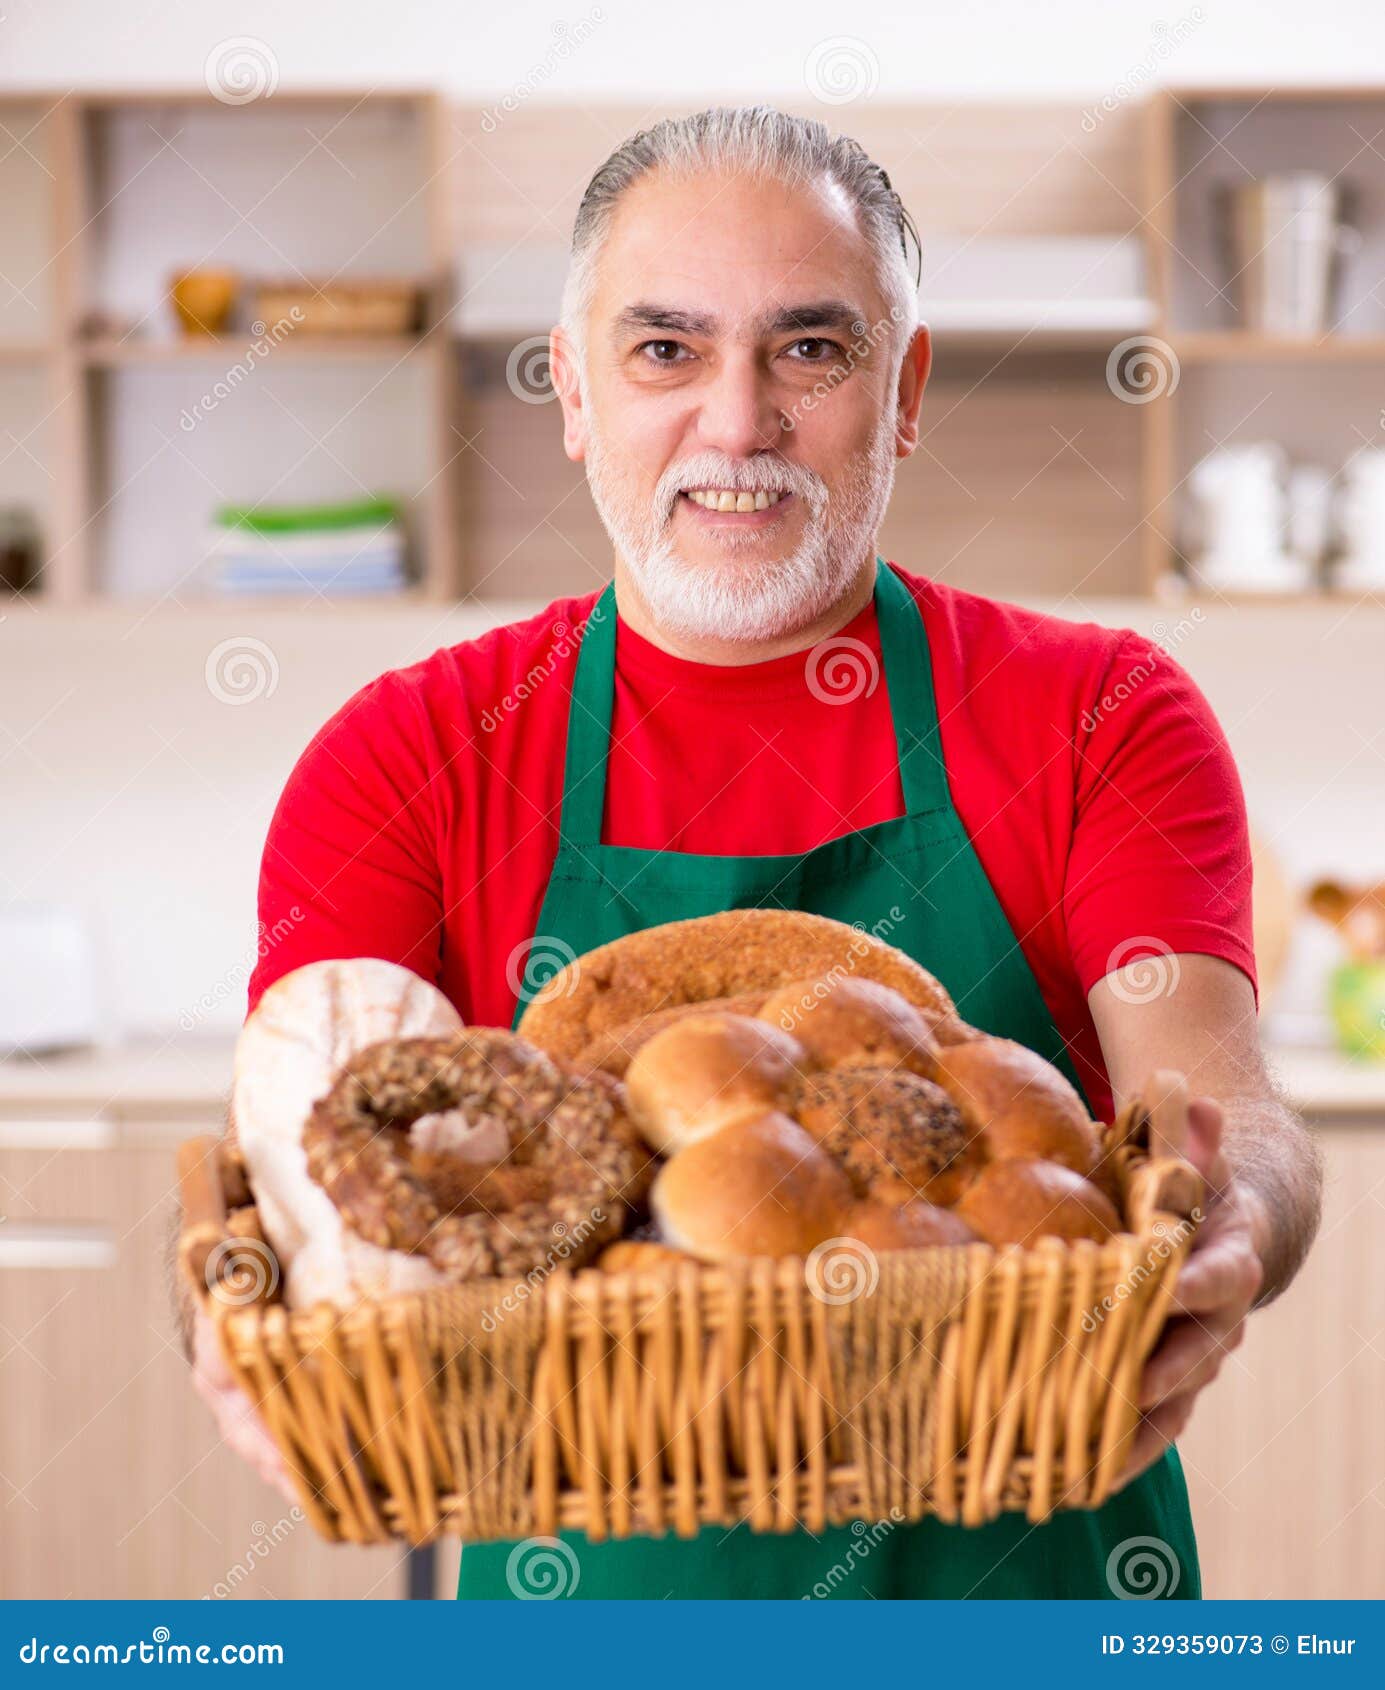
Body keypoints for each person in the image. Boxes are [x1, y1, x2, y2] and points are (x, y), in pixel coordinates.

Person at [186, 105, 1322, 1599]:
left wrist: (1230, 1216)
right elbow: (295, 1171)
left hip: (1039, 1591)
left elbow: (1227, 1110)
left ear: (903, 388)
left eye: (810, 349)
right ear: (573, 390)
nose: (736, 422)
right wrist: (228, 1304)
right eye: (664, 350)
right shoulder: (412, 755)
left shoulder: (1098, 711)